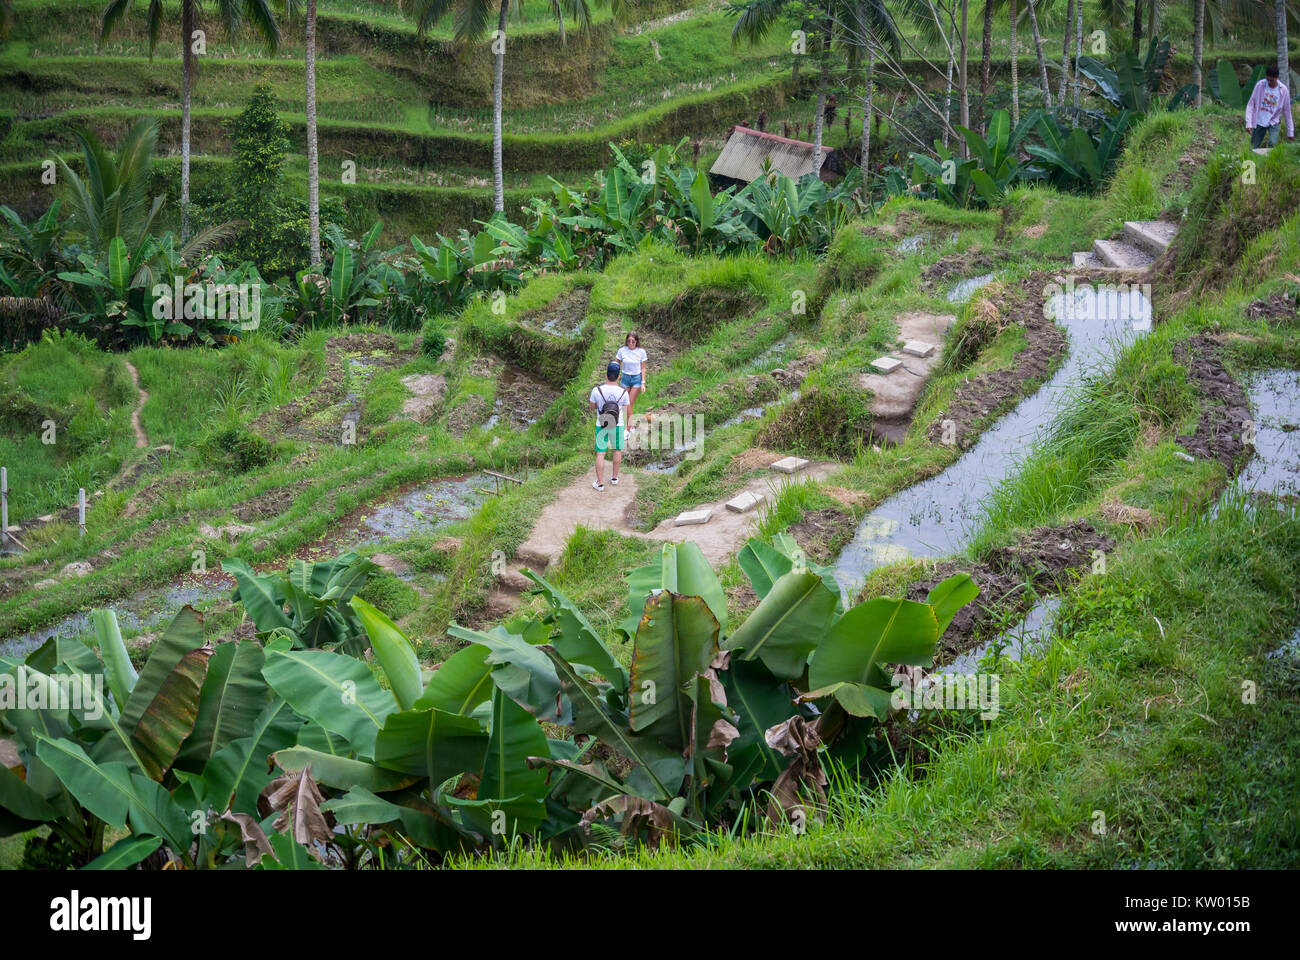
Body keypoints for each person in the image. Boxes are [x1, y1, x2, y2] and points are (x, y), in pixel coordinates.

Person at [589, 361, 630, 492]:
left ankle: (600, 483)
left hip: (601, 424)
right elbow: (624, 409)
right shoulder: (624, 393)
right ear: (619, 377)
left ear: (606, 375)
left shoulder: (597, 390)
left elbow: (592, 407)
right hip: (617, 424)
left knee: (600, 453)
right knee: (617, 450)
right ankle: (614, 478)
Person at [1246, 64, 1295, 149]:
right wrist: (1249, 123)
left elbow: (1287, 112)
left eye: (1271, 80)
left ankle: (1269, 161)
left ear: (1277, 78)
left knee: (1272, 143)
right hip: (1259, 121)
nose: (1269, 82)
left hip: (1274, 121)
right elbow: (1251, 104)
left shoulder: (1283, 90)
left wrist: (1290, 132)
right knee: (1253, 146)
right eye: (1267, 80)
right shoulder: (1260, 85)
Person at [615, 332, 649, 428]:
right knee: (624, 403)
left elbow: (643, 368)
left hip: (636, 379)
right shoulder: (622, 351)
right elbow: (617, 364)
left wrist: (643, 383)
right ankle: (629, 425)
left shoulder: (641, 352)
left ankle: (629, 427)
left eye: (633, 341)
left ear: (636, 342)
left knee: (629, 402)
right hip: (625, 378)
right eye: (629, 341)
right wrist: (616, 378)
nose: (630, 343)